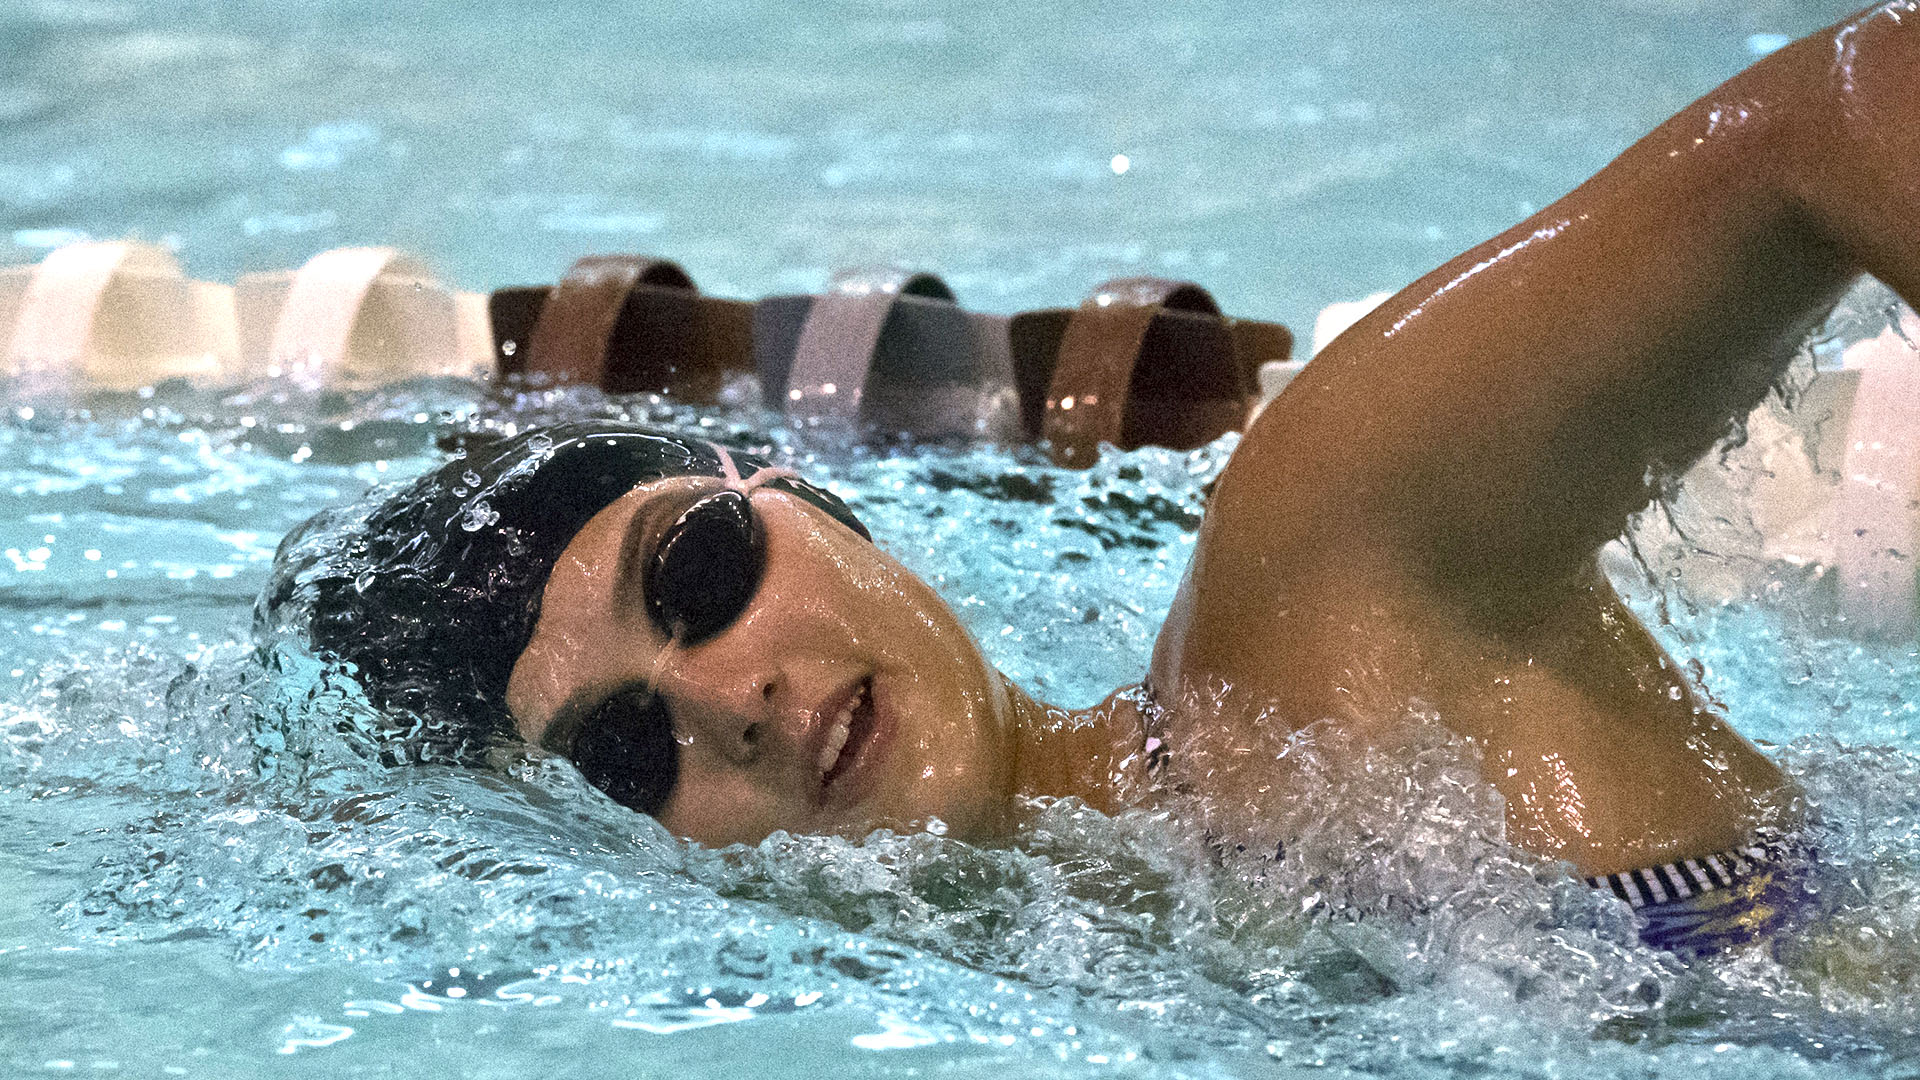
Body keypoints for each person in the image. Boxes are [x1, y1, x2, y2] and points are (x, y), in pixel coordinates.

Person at [263, 3, 1918, 954]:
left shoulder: (1311, 588)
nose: (731, 703)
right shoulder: (1099, 962)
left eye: (696, 579)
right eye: (626, 751)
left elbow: (1841, 111)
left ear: (803, 497)